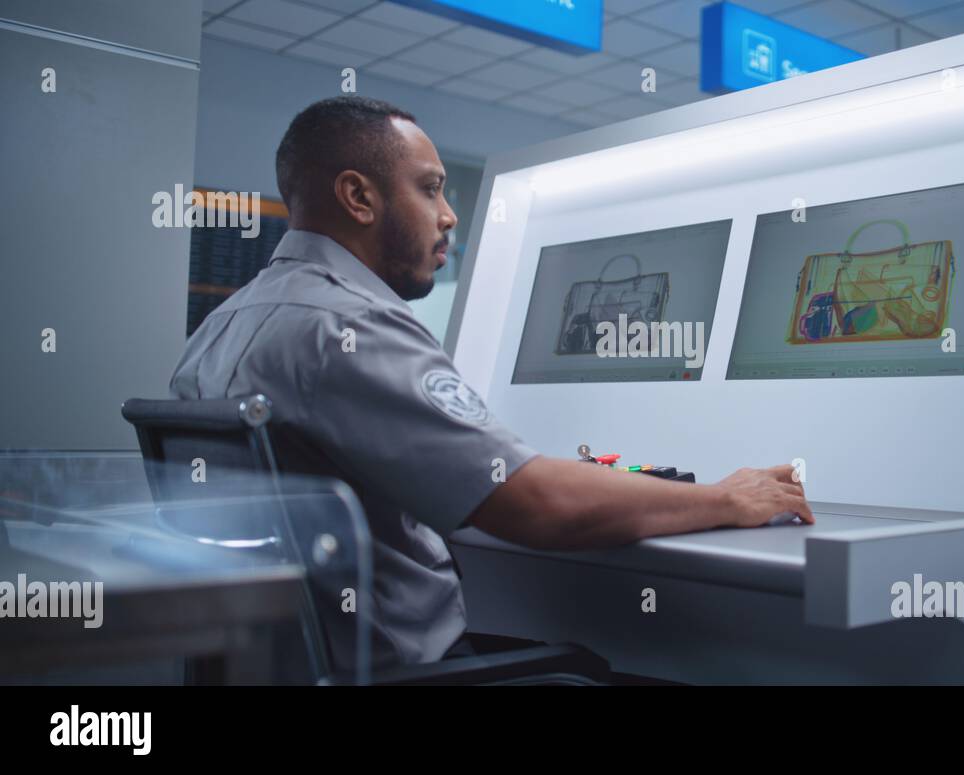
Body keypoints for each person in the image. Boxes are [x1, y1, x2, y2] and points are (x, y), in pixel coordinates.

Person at [171, 96, 812, 667]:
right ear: (358, 197)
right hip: (399, 669)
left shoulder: (223, 324)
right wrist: (727, 499)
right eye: (430, 189)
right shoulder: (351, 326)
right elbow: (534, 505)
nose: (449, 216)